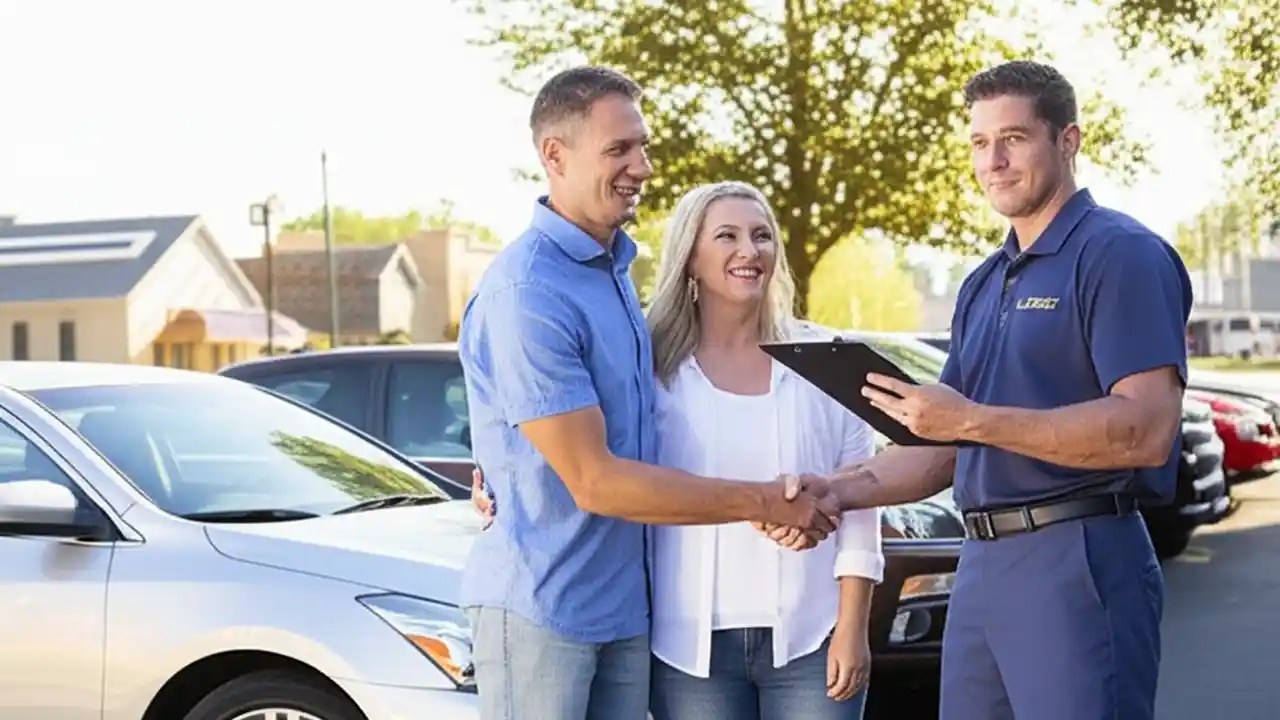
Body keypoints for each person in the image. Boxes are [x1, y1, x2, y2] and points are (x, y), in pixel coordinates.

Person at [764, 60, 1192, 720]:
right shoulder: (984, 282)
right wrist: (838, 490)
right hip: (981, 566)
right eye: (978, 142)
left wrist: (972, 420)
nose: (992, 160)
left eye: (1014, 138)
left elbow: (1146, 428)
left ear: (1068, 141)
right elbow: (942, 446)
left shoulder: (1120, 255)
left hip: (1077, 556)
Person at [457, 66, 842, 720]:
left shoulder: (611, 276)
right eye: (619, 150)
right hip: (543, 608)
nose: (642, 166)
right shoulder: (529, 293)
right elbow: (596, 481)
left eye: (642, 146)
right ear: (555, 156)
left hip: (628, 611)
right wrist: (760, 502)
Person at [643, 181, 883, 720]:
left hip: (813, 639)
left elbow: (865, 496)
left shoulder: (829, 358)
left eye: (761, 236)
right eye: (726, 236)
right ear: (690, 258)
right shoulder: (652, 369)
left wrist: (852, 626)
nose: (749, 251)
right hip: (687, 651)